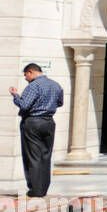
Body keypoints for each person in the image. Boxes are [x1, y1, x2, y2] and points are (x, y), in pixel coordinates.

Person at [10, 62, 63, 198]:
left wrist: (15, 95)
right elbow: (60, 103)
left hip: (33, 122)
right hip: (49, 122)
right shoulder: (55, 85)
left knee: (32, 156)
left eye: (26, 75)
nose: (26, 78)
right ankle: (43, 188)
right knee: (45, 155)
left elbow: (24, 105)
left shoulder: (33, 86)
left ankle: (35, 190)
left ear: (31, 72)